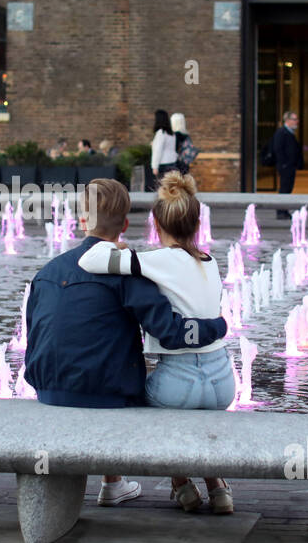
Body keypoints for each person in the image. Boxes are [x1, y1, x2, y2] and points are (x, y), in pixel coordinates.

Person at [23, 178, 228, 508]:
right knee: (155, 388)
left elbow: (34, 334)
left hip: (49, 392)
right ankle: (197, 480)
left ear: (80, 219)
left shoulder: (46, 271)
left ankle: (115, 483)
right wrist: (218, 327)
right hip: (108, 398)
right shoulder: (130, 274)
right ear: (127, 224)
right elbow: (170, 331)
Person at [77, 172, 235, 514]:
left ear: (156, 223)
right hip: (223, 381)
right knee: (198, 415)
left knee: (134, 403)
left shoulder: (154, 260)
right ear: (195, 223)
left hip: (178, 381)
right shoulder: (212, 262)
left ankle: (180, 483)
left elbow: (88, 260)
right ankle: (217, 486)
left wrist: (118, 250)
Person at [271, 110, 304, 218]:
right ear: (288, 120)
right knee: (284, 188)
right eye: (294, 119)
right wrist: (284, 164)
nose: (297, 122)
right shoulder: (282, 133)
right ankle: (281, 211)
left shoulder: (289, 133)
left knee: (288, 188)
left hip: (290, 166)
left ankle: (284, 210)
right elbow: (278, 149)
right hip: (285, 166)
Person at [150, 109, 176, 190]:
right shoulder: (171, 133)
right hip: (172, 162)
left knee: (162, 188)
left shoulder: (161, 133)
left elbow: (158, 150)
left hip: (163, 164)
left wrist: (154, 166)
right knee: (171, 188)